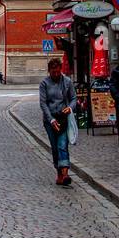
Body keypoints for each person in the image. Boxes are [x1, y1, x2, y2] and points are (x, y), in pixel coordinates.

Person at [39, 58, 77, 186]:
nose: (55, 74)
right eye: (53, 72)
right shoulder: (44, 83)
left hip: (63, 118)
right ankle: (59, 172)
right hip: (50, 120)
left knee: (62, 145)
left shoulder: (66, 82)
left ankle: (65, 173)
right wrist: (51, 119)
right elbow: (43, 103)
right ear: (49, 71)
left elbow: (73, 98)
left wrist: (70, 108)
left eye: (57, 71)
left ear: (60, 69)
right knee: (55, 147)